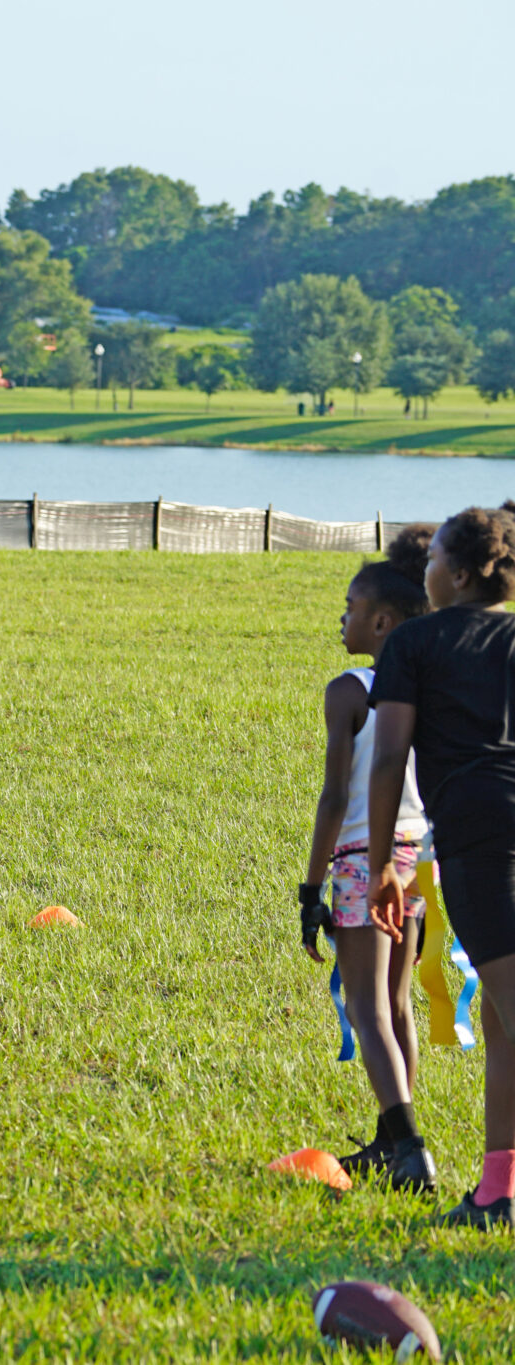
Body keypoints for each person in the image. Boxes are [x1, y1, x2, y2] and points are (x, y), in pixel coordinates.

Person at [368, 505, 515, 1226]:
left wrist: (380, 864)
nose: (422, 571)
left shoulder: (415, 642)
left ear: (457, 575)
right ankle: (496, 1192)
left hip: (482, 836)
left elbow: (391, 754)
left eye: (433, 562)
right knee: (498, 1015)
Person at [298, 527, 436, 1189]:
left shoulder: (348, 690)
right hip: (415, 858)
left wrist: (310, 885)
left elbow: (333, 798)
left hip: (360, 856)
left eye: (350, 606)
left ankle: (408, 1150)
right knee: (398, 1005)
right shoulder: (432, 688)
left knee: (365, 1008)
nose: (342, 616)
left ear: (382, 622)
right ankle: (394, 1136)